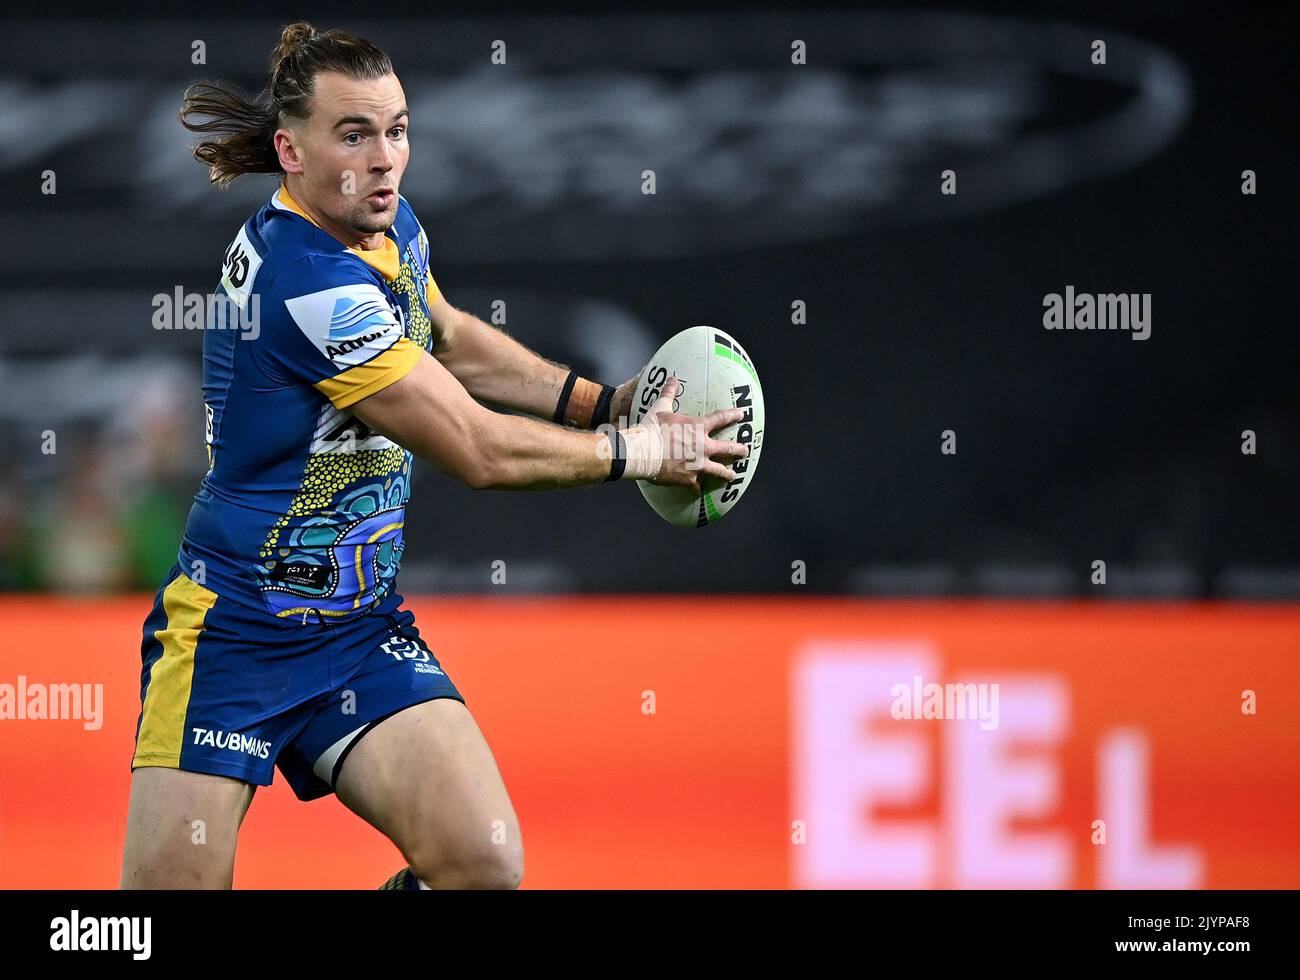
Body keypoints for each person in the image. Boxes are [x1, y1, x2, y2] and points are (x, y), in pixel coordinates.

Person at [121, 21, 747, 890]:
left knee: (483, 863)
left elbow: (446, 336)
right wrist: (638, 448)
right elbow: (475, 448)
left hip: (360, 631)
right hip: (234, 635)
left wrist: (605, 400)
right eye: (355, 134)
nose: (385, 159)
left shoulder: (381, 229)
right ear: (288, 151)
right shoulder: (306, 283)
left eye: (397, 129)